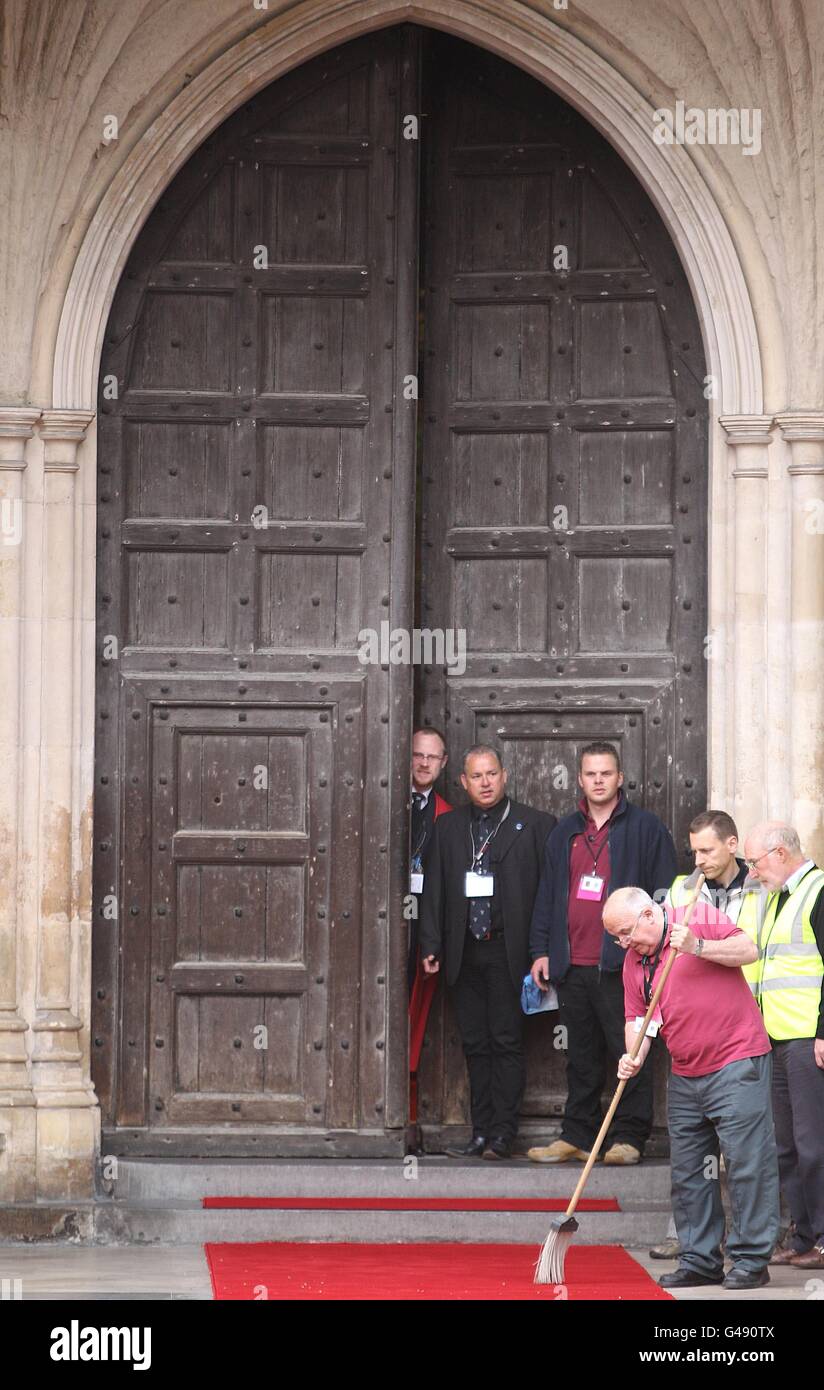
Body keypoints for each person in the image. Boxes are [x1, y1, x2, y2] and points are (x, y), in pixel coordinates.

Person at [604, 885, 779, 1290]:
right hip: (685, 1073)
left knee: (746, 1163)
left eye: (627, 933)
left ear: (649, 914)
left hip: (735, 1060)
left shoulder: (695, 916)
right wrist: (634, 1055)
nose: (623, 943)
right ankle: (699, 1258)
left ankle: (751, 1258)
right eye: (616, 938)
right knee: (689, 1171)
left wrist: (697, 945)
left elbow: (747, 951)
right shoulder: (634, 963)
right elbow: (639, 1021)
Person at [527, 743, 677, 1166]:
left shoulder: (646, 828)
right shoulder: (564, 832)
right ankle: (577, 1134)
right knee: (580, 1054)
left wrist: (652, 950)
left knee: (629, 1051)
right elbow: (547, 895)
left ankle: (629, 1137)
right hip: (571, 964)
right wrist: (542, 950)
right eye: (590, 774)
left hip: (623, 965)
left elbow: (664, 895)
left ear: (619, 778)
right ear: (580, 779)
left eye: (605, 773)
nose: (598, 780)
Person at [419, 746, 555, 1159]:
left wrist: (542, 950)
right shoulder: (447, 828)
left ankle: (503, 1134)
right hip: (464, 952)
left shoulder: (535, 825)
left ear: (505, 775)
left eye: (492, 774)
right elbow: (434, 891)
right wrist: (431, 943)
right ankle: (479, 1132)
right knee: (475, 1044)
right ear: (463, 781)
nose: (485, 782)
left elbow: (549, 896)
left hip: (508, 952)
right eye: (476, 776)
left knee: (506, 1041)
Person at [650, 808, 762, 1259]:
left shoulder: (764, 886)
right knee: (694, 1151)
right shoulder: (681, 889)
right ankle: (690, 1240)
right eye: (693, 850)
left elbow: (756, 945)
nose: (697, 860)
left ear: (732, 845)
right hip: (699, 1027)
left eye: (707, 850)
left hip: (755, 1022)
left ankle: (756, 1244)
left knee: (751, 1149)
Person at [743, 821, 824, 1270]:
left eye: (755, 862)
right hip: (777, 1037)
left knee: (815, 1145)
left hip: (807, 1040)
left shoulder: (818, 891)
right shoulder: (778, 897)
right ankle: (803, 1237)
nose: (752, 872)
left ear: (779, 853)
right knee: (788, 1146)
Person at [407, 727, 452, 1134]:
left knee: (415, 1013)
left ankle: (409, 1104)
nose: (423, 763)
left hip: (422, 924)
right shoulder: (383, 799)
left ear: (443, 764)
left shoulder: (445, 815)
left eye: (431, 757)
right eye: (417, 755)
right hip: (377, 921)